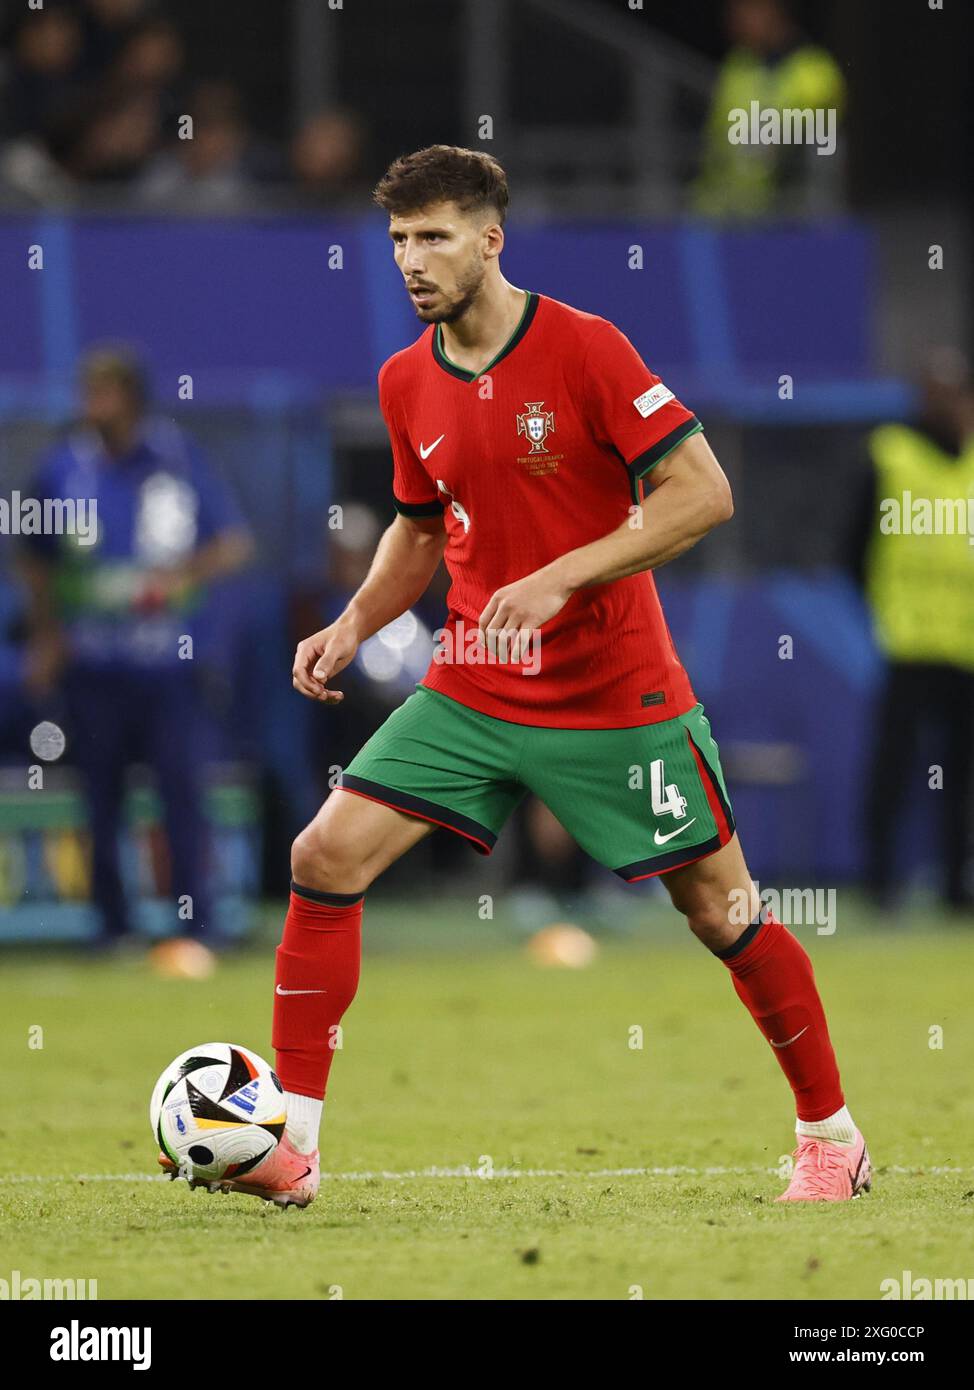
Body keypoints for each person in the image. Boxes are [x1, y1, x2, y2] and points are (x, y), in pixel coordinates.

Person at [168, 146, 870, 1206]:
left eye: (436, 235)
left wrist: (558, 575)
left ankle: (831, 1135)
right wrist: (353, 624)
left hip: (613, 694)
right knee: (325, 854)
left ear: (490, 240)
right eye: (400, 238)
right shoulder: (404, 379)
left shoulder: (586, 349)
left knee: (723, 913)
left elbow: (702, 493)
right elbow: (417, 529)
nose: (413, 258)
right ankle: (292, 1143)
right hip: (473, 685)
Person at [21, 346, 253, 954]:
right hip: (94, 663)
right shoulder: (62, 468)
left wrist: (180, 578)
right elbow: (31, 556)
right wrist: (47, 635)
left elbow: (233, 543)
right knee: (99, 799)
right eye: (86, 392)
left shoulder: (178, 458)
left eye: (101, 393)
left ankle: (195, 927)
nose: (89, 406)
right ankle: (110, 925)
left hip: (171, 663)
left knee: (183, 792)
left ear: (129, 398)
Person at [849, 353, 974, 912]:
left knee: (962, 779)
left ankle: (955, 885)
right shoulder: (891, 455)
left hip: (966, 648)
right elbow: (852, 548)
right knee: (894, 769)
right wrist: (885, 605)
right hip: (907, 643)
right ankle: (880, 884)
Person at [692, 0, 846, 219]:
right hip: (728, 219)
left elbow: (816, 140)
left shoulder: (816, 72)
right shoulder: (736, 67)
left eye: (746, 8)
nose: (735, 20)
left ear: (773, 9)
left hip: (791, 219)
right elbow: (715, 149)